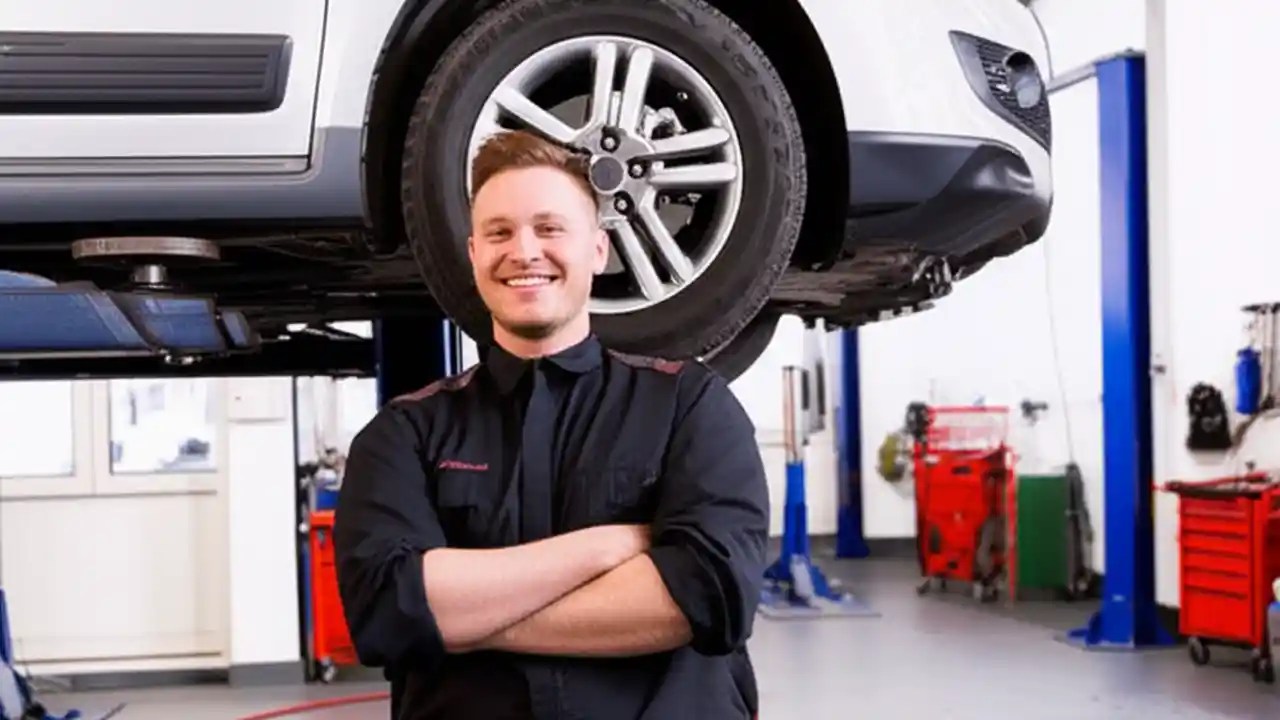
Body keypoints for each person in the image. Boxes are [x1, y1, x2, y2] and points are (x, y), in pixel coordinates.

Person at [333, 129, 770, 720]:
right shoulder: (404, 433)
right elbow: (386, 611)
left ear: (598, 249)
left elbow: (710, 596)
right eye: (499, 232)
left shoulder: (689, 405)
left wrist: (460, 618)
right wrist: (604, 548)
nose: (524, 251)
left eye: (549, 228)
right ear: (473, 255)